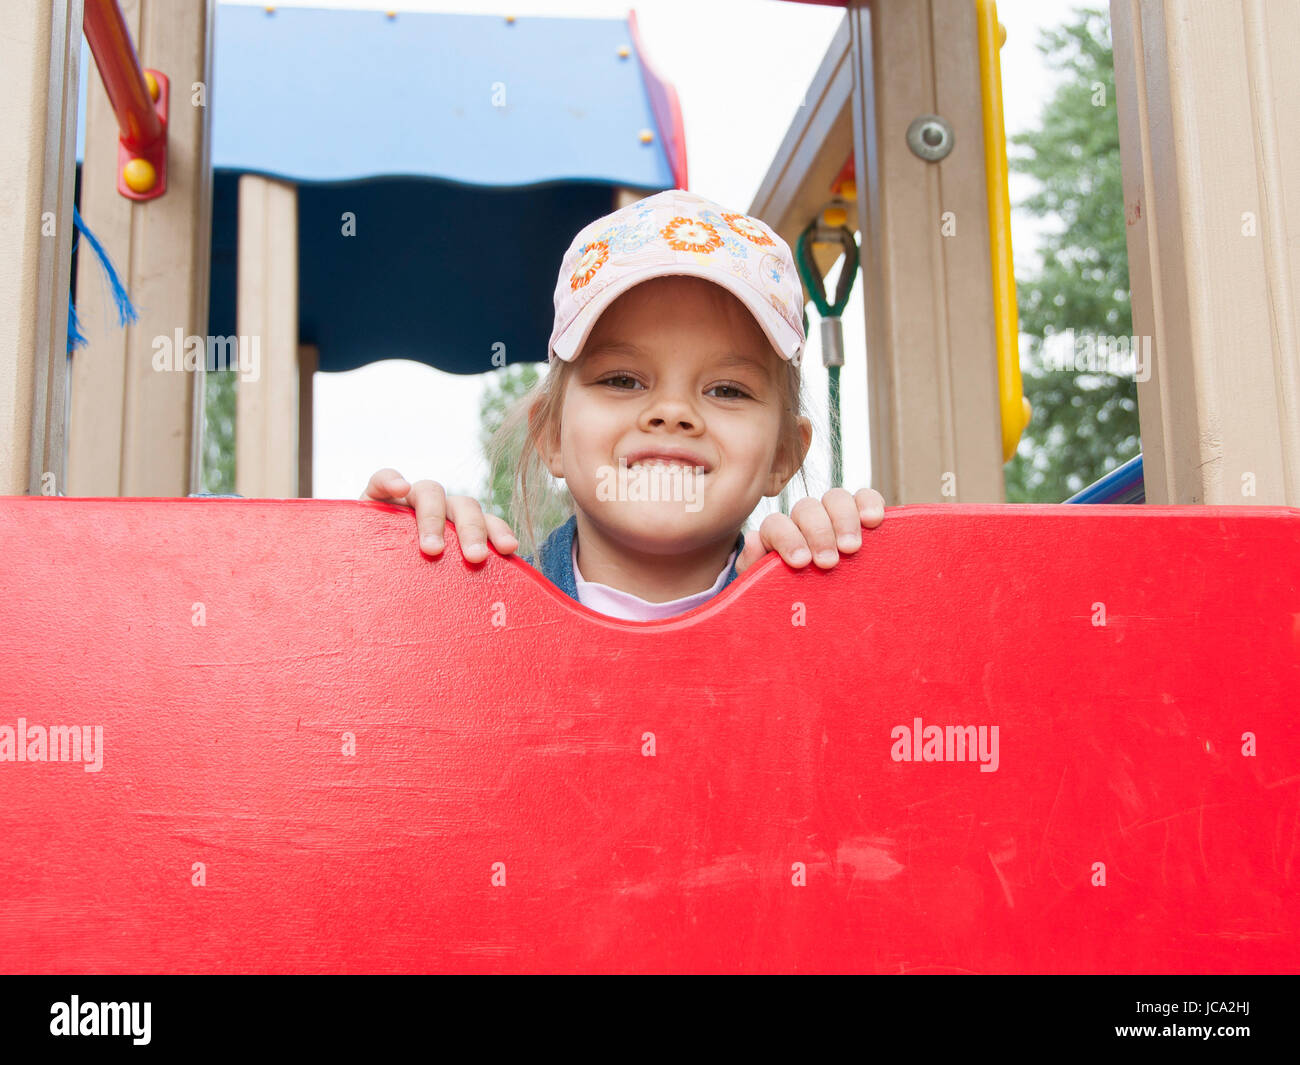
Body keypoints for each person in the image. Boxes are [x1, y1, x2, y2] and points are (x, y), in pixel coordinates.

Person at [360, 188, 885, 619]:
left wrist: (854, 582)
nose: (672, 411)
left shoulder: (810, 612)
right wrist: (395, 572)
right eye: (622, 380)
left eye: (727, 390)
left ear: (783, 456)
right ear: (550, 436)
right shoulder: (480, 611)